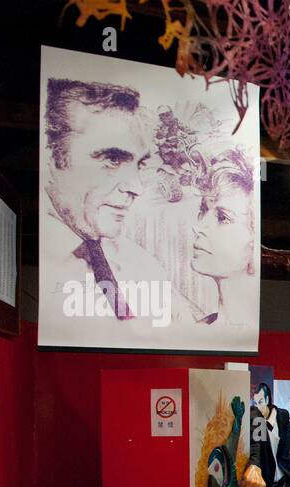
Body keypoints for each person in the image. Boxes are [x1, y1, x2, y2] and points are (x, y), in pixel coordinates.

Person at [43, 78, 181, 325]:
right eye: (112, 160)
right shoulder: (36, 269)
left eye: (139, 164)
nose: (137, 188)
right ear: (52, 158)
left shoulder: (143, 266)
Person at [192, 148, 259, 325]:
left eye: (222, 218)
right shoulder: (199, 330)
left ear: (254, 239)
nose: (198, 227)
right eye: (203, 211)